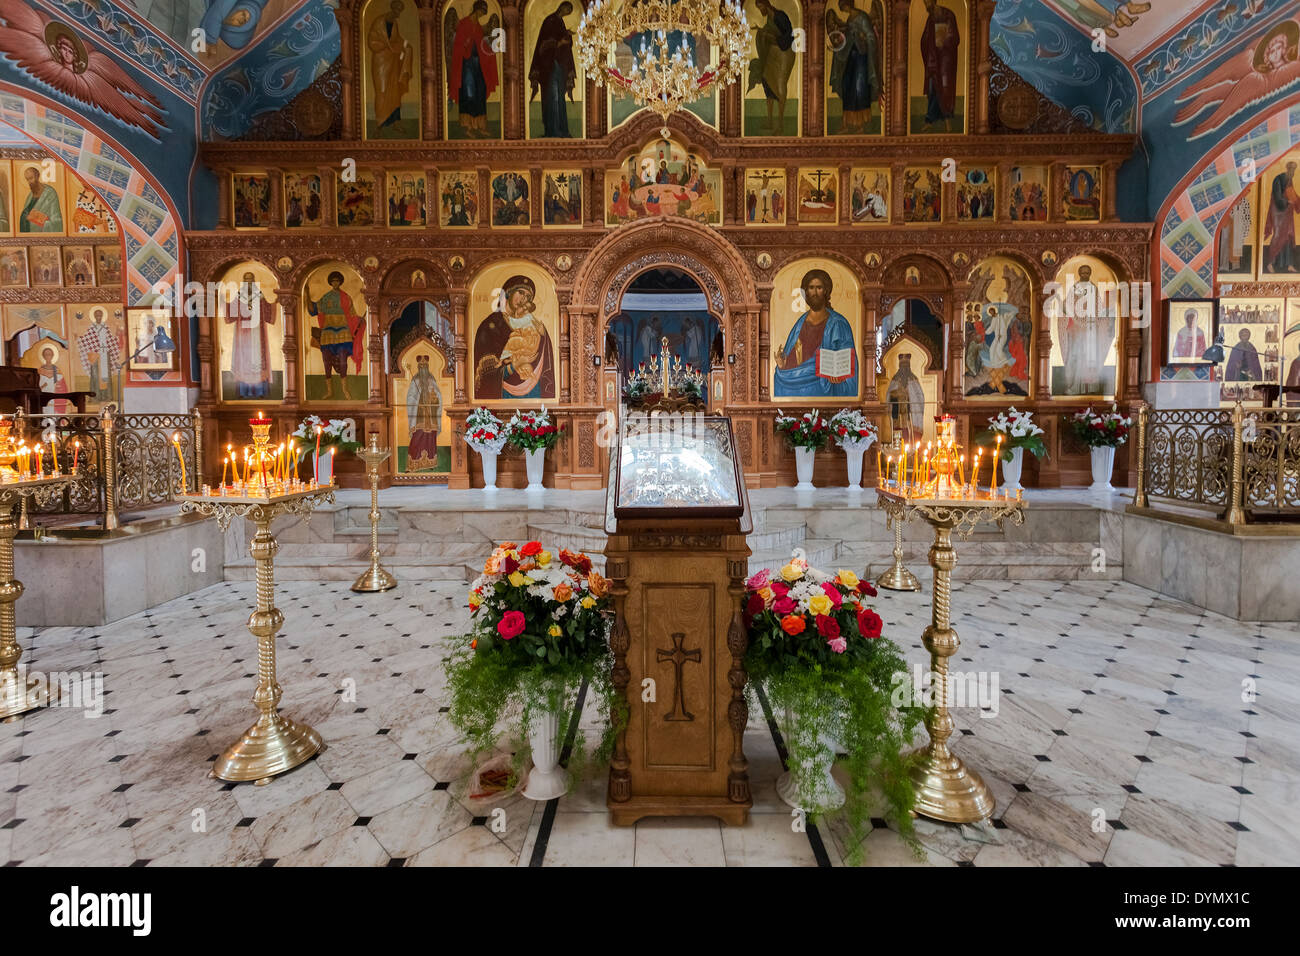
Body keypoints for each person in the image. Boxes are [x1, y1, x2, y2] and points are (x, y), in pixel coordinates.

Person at [773, 269, 858, 397]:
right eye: (811, 288)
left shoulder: (838, 323)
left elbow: (847, 357)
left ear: (826, 291)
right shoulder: (800, 323)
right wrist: (782, 365)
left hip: (825, 387)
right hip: (797, 387)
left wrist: (839, 375)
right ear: (806, 291)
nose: (815, 292)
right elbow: (792, 358)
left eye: (819, 288)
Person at [473, 275, 555, 399]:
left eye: (528, 297)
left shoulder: (532, 324)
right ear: (508, 293)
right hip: (503, 395)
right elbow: (486, 376)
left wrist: (543, 335)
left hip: (533, 391)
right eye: (521, 293)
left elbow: (545, 363)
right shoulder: (491, 326)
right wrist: (514, 366)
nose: (524, 299)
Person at [307, 271, 367, 400]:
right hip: (328, 332)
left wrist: (360, 320)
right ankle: (330, 391)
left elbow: (352, 315)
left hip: (343, 332)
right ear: (330, 283)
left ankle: (345, 389)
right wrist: (306, 294)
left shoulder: (346, 297)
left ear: (340, 282)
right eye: (333, 281)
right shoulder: (326, 297)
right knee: (326, 361)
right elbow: (313, 311)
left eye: (337, 281)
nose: (335, 283)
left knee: (343, 360)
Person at [827, 0, 880, 134]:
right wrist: (840, 39)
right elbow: (849, 35)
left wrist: (863, 38)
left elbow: (871, 37)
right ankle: (845, 124)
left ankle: (861, 126)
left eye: (842, 6)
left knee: (860, 89)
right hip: (851, 57)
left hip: (861, 58)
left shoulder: (862, 17)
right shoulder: (851, 18)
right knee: (846, 86)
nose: (842, 9)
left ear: (847, 4)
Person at [449, 0, 499, 137]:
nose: (482, 15)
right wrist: (465, 43)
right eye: (482, 12)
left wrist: (490, 49)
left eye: (484, 13)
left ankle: (480, 125)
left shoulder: (477, 27)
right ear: (476, 10)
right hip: (466, 65)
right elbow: (457, 45)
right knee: (468, 94)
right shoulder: (464, 23)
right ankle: (468, 127)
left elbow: (482, 45)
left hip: (478, 66)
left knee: (480, 93)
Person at [226, 271, 277, 399]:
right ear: (244, 281)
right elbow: (231, 312)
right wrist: (222, 302)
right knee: (244, 361)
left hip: (257, 332)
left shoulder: (259, 294)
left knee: (258, 359)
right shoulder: (239, 295)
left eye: (251, 280)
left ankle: (259, 392)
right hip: (242, 334)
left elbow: (267, 309)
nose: (249, 282)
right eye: (247, 279)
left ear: (253, 281)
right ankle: (244, 392)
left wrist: (275, 303)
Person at [529, 1, 576, 138]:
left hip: (558, 65)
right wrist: (560, 42)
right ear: (562, 7)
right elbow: (544, 44)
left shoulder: (560, 22)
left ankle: (562, 130)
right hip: (549, 66)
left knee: (559, 97)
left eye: (569, 12)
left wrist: (566, 35)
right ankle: (553, 131)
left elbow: (561, 38)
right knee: (552, 97)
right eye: (567, 9)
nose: (567, 12)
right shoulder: (550, 20)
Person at [749, 0, 796, 135]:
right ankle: (770, 120)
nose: (760, 10)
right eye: (758, 8)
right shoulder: (769, 18)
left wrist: (771, 37)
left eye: (761, 7)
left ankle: (780, 124)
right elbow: (770, 33)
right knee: (767, 83)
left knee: (780, 86)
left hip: (783, 55)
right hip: (772, 55)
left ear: (766, 4)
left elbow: (788, 36)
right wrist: (762, 32)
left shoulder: (780, 16)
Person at [368, 0, 415, 134]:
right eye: (397, 10)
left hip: (393, 62)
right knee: (382, 92)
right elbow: (372, 41)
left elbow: (397, 39)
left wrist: (406, 46)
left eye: (400, 11)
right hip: (381, 63)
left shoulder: (394, 24)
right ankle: (379, 125)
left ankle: (396, 122)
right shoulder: (379, 22)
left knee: (395, 92)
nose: (398, 14)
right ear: (393, 9)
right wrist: (388, 48)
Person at [919, 0, 960, 131]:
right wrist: (927, 44)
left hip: (945, 63)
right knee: (932, 89)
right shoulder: (931, 18)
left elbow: (954, 37)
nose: (926, 6)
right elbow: (925, 38)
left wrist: (944, 41)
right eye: (924, 3)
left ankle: (947, 120)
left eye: (927, 2)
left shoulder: (948, 15)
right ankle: (930, 120)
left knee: (945, 89)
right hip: (933, 62)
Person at [77, 307, 123, 407]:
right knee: (95, 377)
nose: (98, 317)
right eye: (96, 315)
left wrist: (118, 335)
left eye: (100, 315)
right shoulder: (91, 328)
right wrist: (78, 338)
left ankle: (107, 396)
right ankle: (96, 397)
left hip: (105, 355)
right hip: (95, 357)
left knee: (106, 376)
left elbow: (111, 341)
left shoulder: (105, 328)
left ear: (102, 316)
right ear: (94, 316)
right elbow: (86, 341)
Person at [405, 353, 442, 470]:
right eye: (421, 367)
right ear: (418, 367)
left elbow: (438, 398)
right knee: (417, 437)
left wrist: (434, 399)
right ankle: (413, 463)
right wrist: (417, 398)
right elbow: (410, 397)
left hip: (431, 415)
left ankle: (430, 463)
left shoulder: (432, 379)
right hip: (419, 415)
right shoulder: (415, 380)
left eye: (425, 366)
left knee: (430, 438)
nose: (423, 369)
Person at [1263, 161, 1300, 274]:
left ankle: (1289, 264)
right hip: (1278, 212)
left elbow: (1292, 194)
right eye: (1291, 170)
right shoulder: (1278, 179)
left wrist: (1296, 201)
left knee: (1288, 236)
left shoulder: (1289, 180)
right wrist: (1286, 201)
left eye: (1294, 170)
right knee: (1278, 235)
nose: (1293, 172)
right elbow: (1277, 197)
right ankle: (1270, 263)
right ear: (1288, 169)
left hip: (1287, 213)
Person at [886, 352, 925, 439]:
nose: (904, 367)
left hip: (910, 413)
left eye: (906, 365)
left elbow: (920, 398)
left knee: (911, 435)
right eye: (902, 365)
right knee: (899, 434)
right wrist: (897, 393)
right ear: (899, 366)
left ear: (909, 366)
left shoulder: (913, 379)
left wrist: (909, 395)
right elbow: (889, 396)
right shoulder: (895, 379)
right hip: (897, 413)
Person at [18, 165, 62, 233]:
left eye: (31, 178)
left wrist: (35, 217)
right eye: (27, 179)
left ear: (37, 176)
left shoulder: (50, 193)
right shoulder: (30, 195)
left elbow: (56, 221)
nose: (30, 182)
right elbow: (25, 214)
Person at [37, 345, 69, 414]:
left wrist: (58, 387)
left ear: (52, 356)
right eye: (46, 355)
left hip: (55, 400)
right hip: (44, 399)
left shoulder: (56, 370)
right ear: (43, 356)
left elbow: (63, 387)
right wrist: (42, 386)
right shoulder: (40, 371)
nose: (48, 356)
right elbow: (36, 386)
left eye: (49, 354)